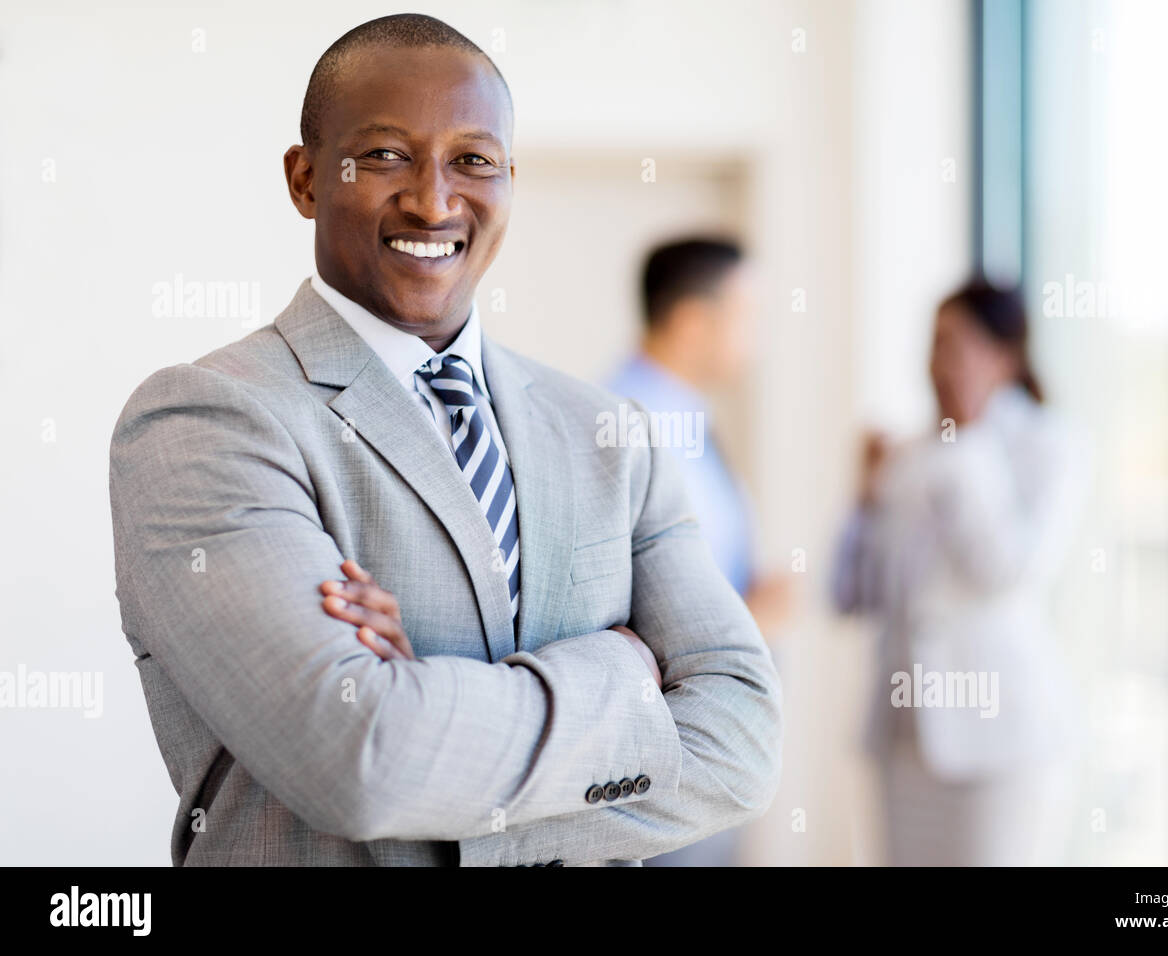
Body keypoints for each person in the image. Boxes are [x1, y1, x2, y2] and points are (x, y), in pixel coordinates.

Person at [108, 14, 782, 867]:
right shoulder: (207, 419)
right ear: (306, 178)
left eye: (473, 160)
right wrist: (625, 673)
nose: (433, 199)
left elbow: (745, 744)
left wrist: (424, 697)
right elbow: (360, 762)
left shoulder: (608, 433)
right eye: (386, 155)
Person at [831, 279, 1085, 866]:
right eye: (933, 342)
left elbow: (1007, 571)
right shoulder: (908, 453)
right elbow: (850, 596)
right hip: (904, 736)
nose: (939, 362)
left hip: (999, 739)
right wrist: (864, 500)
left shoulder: (1050, 444)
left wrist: (968, 441)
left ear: (1005, 355)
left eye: (955, 343)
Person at [606, 238, 793, 866]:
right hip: (673, 740)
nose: (757, 339)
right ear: (692, 319)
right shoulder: (627, 421)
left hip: (717, 732)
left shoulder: (683, 414)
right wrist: (749, 621)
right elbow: (619, 596)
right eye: (748, 317)